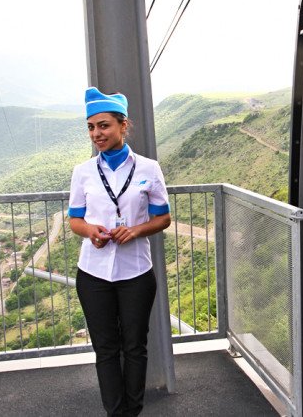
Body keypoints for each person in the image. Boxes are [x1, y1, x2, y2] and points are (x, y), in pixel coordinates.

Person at [67, 87, 172, 416]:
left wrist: (137, 229)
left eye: (103, 126)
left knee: (135, 347)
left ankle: (133, 410)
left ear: (123, 126)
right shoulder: (82, 172)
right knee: (106, 349)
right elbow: (74, 220)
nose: (96, 134)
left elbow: (163, 217)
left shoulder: (149, 169)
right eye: (91, 127)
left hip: (136, 273)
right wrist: (91, 231)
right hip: (93, 273)